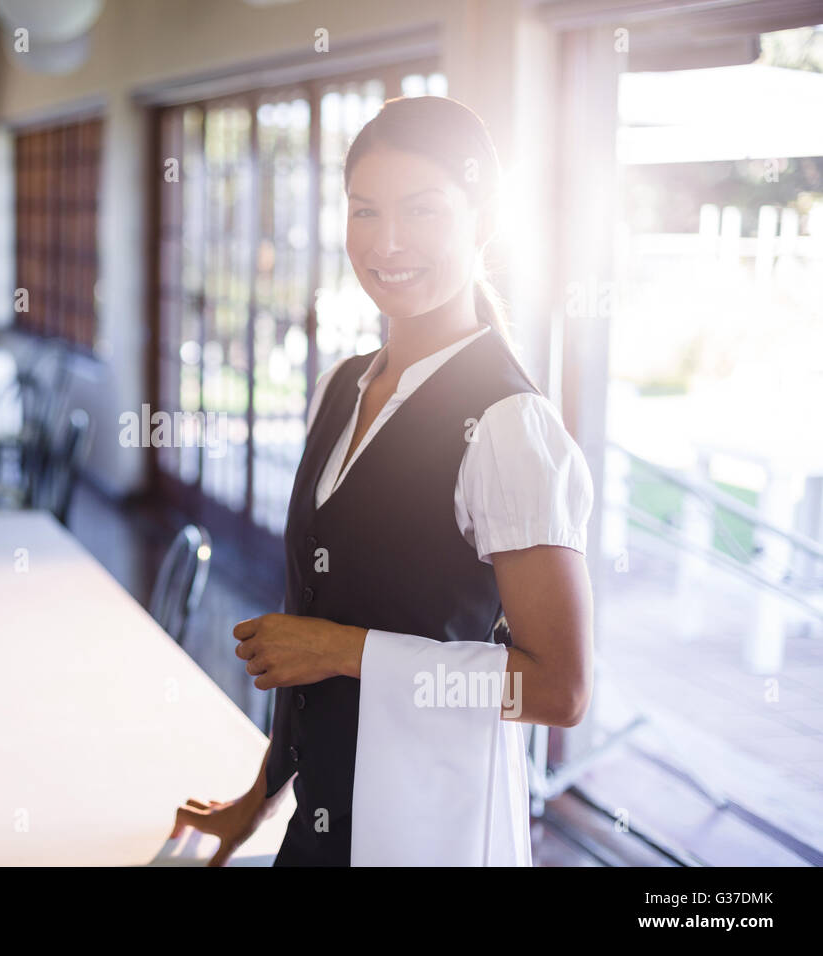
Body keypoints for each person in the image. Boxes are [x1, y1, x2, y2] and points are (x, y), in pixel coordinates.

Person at [170, 95, 594, 866]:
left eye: (423, 210)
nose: (387, 241)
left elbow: (558, 689)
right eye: (364, 211)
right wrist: (258, 800)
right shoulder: (342, 388)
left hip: (426, 832)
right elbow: (313, 629)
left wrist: (344, 650)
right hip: (320, 828)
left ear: (483, 220)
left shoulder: (507, 426)